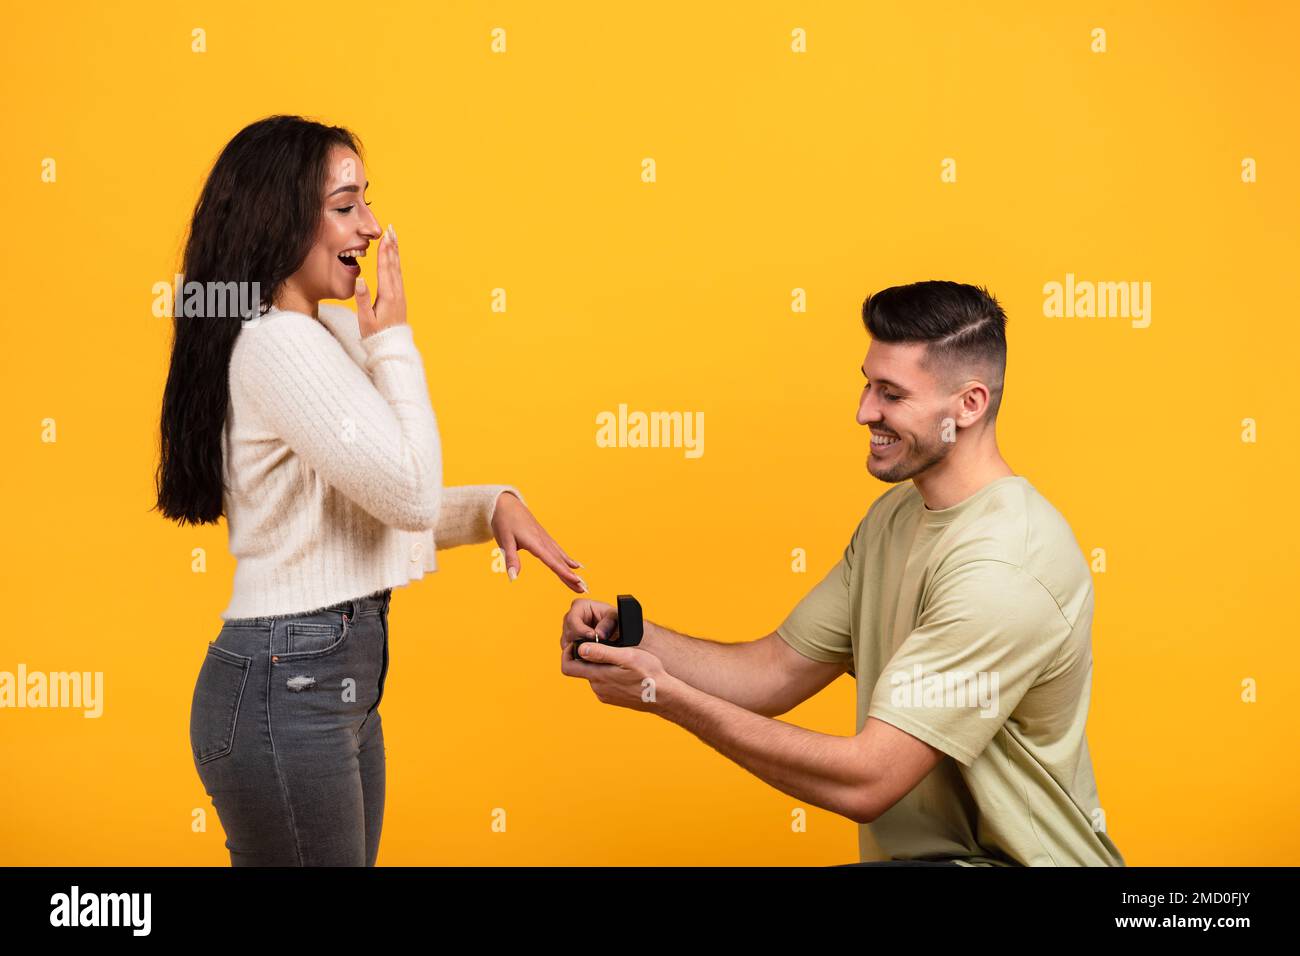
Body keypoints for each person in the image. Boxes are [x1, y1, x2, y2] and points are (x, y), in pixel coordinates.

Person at [560, 280, 1125, 867]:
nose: (863, 411)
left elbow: (870, 780)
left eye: (892, 394)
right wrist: (637, 642)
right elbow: (771, 673)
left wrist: (664, 694)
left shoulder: (1004, 566)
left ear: (969, 404)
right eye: (867, 383)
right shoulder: (895, 516)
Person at [155, 114, 583, 865]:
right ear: (279, 216)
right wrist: (394, 340)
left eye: (368, 201)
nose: (374, 226)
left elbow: (371, 502)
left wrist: (489, 508)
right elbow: (411, 495)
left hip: (327, 681)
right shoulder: (278, 345)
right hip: (291, 684)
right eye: (346, 205)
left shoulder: (318, 336)